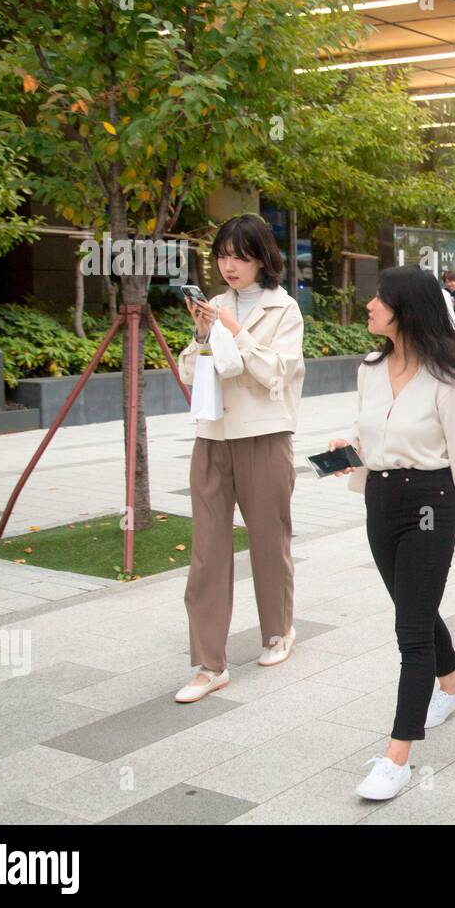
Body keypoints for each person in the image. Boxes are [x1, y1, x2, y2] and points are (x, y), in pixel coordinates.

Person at [327, 264, 455, 801]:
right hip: (380, 499)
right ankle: (451, 685)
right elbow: (368, 428)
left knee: (411, 632)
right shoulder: (369, 368)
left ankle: (397, 754)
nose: (369, 306)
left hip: (431, 503)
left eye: (378, 300)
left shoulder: (446, 381)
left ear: (403, 309)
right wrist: (346, 450)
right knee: (415, 608)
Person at [174, 214, 305, 703]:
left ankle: (279, 631)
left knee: (269, 540)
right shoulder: (212, 306)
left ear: (262, 258)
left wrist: (236, 332)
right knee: (207, 550)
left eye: (239, 256)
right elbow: (190, 370)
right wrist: (206, 334)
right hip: (212, 436)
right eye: (222, 256)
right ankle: (209, 664)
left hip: (264, 436)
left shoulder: (284, 309)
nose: (229, 266)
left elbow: (276, 374)